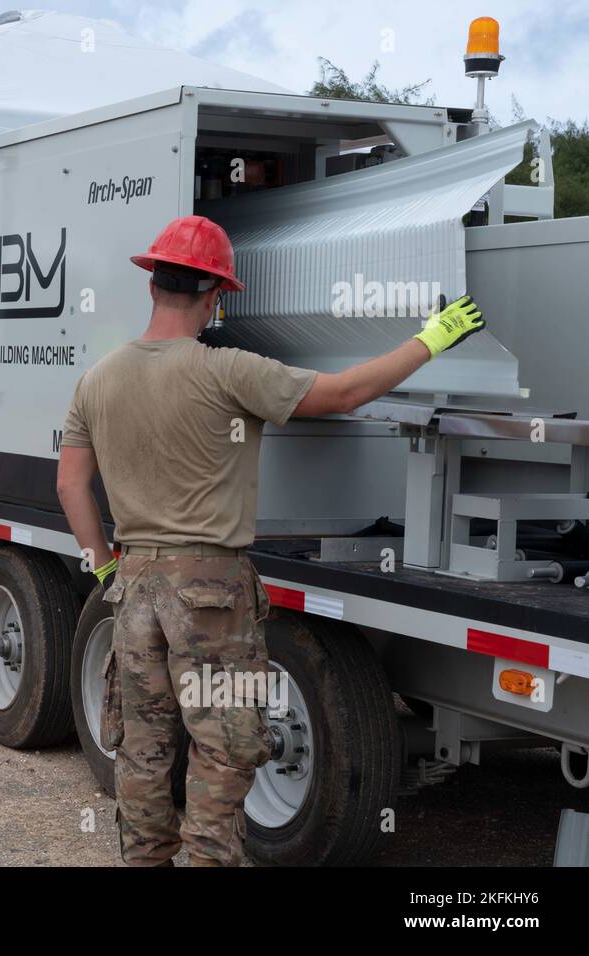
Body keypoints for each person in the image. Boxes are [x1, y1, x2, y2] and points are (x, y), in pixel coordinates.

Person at [55, 215, 486, 867]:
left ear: (153, 287)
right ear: (213, 296)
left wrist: (104, 568)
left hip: (134, 588)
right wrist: (435, 335)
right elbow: (345, 393)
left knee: (142, 750)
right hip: (209, 595)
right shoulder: (227, 372)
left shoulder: (98, 379)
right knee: (222, 751)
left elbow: (70, 485)